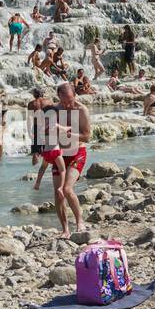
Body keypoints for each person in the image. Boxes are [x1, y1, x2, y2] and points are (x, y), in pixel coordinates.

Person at [52, 83, 90, 235]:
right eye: (65, 100)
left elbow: (87, 136)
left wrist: (68, 134)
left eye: (71, 100)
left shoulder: (81, 110)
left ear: (74, 95)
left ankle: (80, 221)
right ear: (58, 96)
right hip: (59, 154)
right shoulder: (54, 110)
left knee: (67, 189)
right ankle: (65, 229)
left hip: (77, 152)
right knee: (58, 193)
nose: (68, 104)